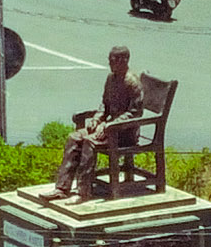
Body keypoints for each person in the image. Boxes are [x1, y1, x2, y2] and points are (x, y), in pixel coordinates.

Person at [54, 47, 151, 196]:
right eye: (110, 60)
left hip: (125, 133)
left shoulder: (133, 84)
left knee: (89, 141)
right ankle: (62, 188)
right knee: (74, 137)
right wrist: (97, 119)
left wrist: (108, 125)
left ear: (124, 61)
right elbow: (104, 104)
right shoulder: (110, 79)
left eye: (113, 60)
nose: (110, 64)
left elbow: (135, 113)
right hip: (109, 129)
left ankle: (83, 191)